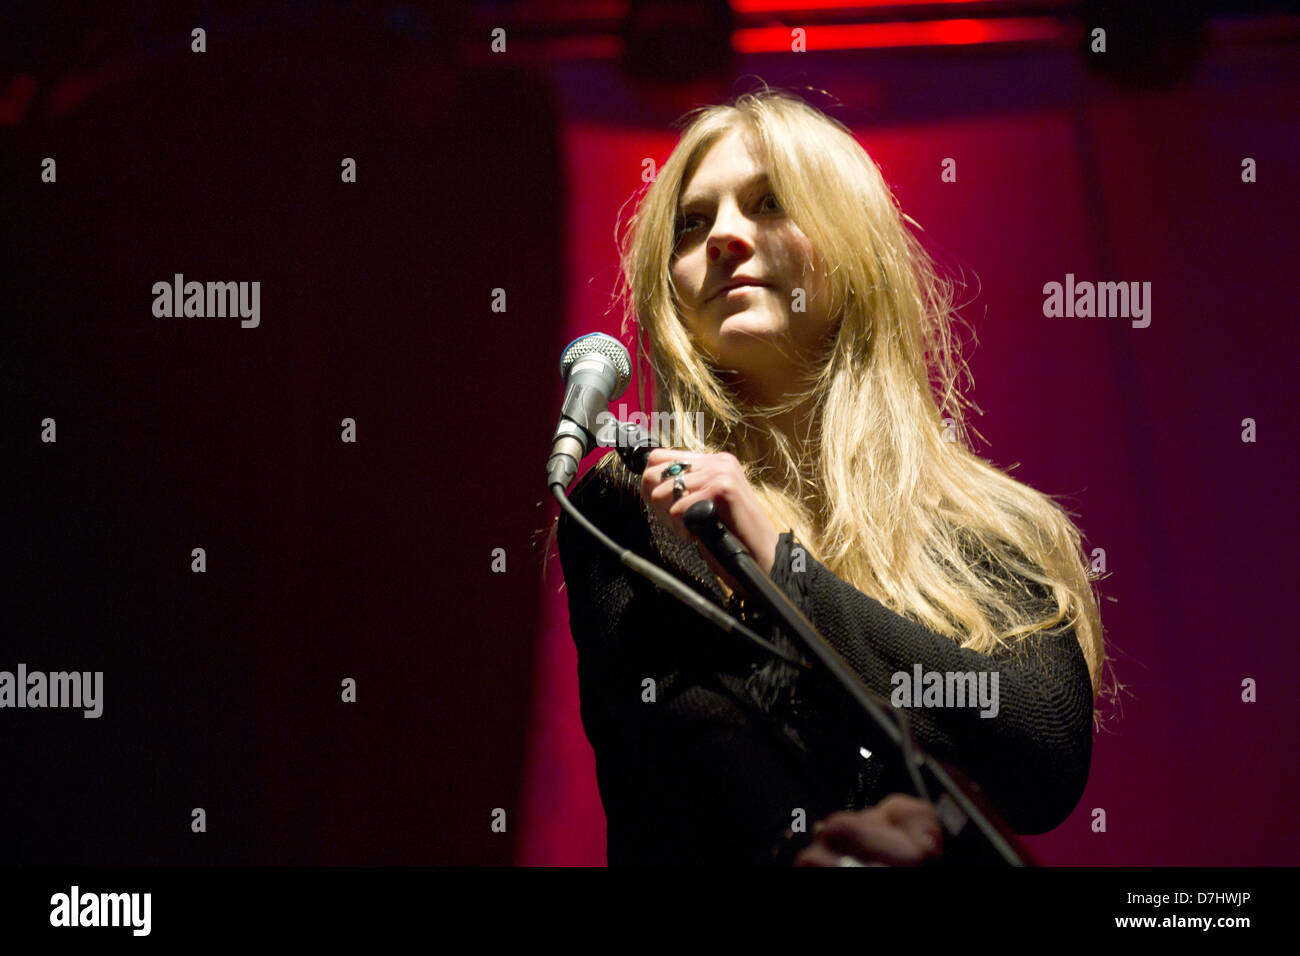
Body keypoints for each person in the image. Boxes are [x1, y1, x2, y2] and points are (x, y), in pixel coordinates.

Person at [551, 86, 1110, 866]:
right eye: (693, 222)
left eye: (769, 204)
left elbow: (1044, 757)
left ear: (852, 251)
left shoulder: (989, 523)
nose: (724, 238)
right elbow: (668, 791)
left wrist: (788, 572)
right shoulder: (634, 507)